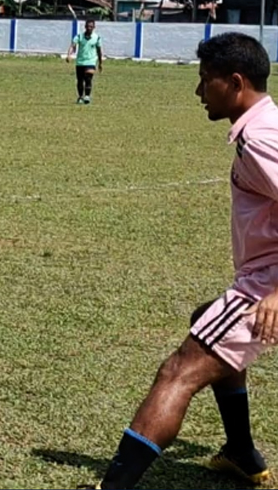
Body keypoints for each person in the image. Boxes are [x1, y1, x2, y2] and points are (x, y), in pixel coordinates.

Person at [86, 32, 278, 489]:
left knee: (179, 370)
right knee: (205, 321)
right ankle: (241, 453)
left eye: (204, 80)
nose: (198, 91)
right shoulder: (267, 124)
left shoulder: (260, 139)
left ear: (234, 82)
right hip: (263, 277)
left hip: (266, 284)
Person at [66, 18, 103, 104]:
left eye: (91, 26)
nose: (89, 28)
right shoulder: (79, 37)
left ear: (94, 27)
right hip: (80, 62)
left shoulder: (97, 38)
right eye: (87, 26)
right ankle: (80, 97)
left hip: (91, 62)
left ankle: (87, 96)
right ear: (85, 27)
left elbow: (99, 50)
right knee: (80, 80)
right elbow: (73, 46)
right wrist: (69, 55)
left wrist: (100, 62)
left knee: (88, 78)